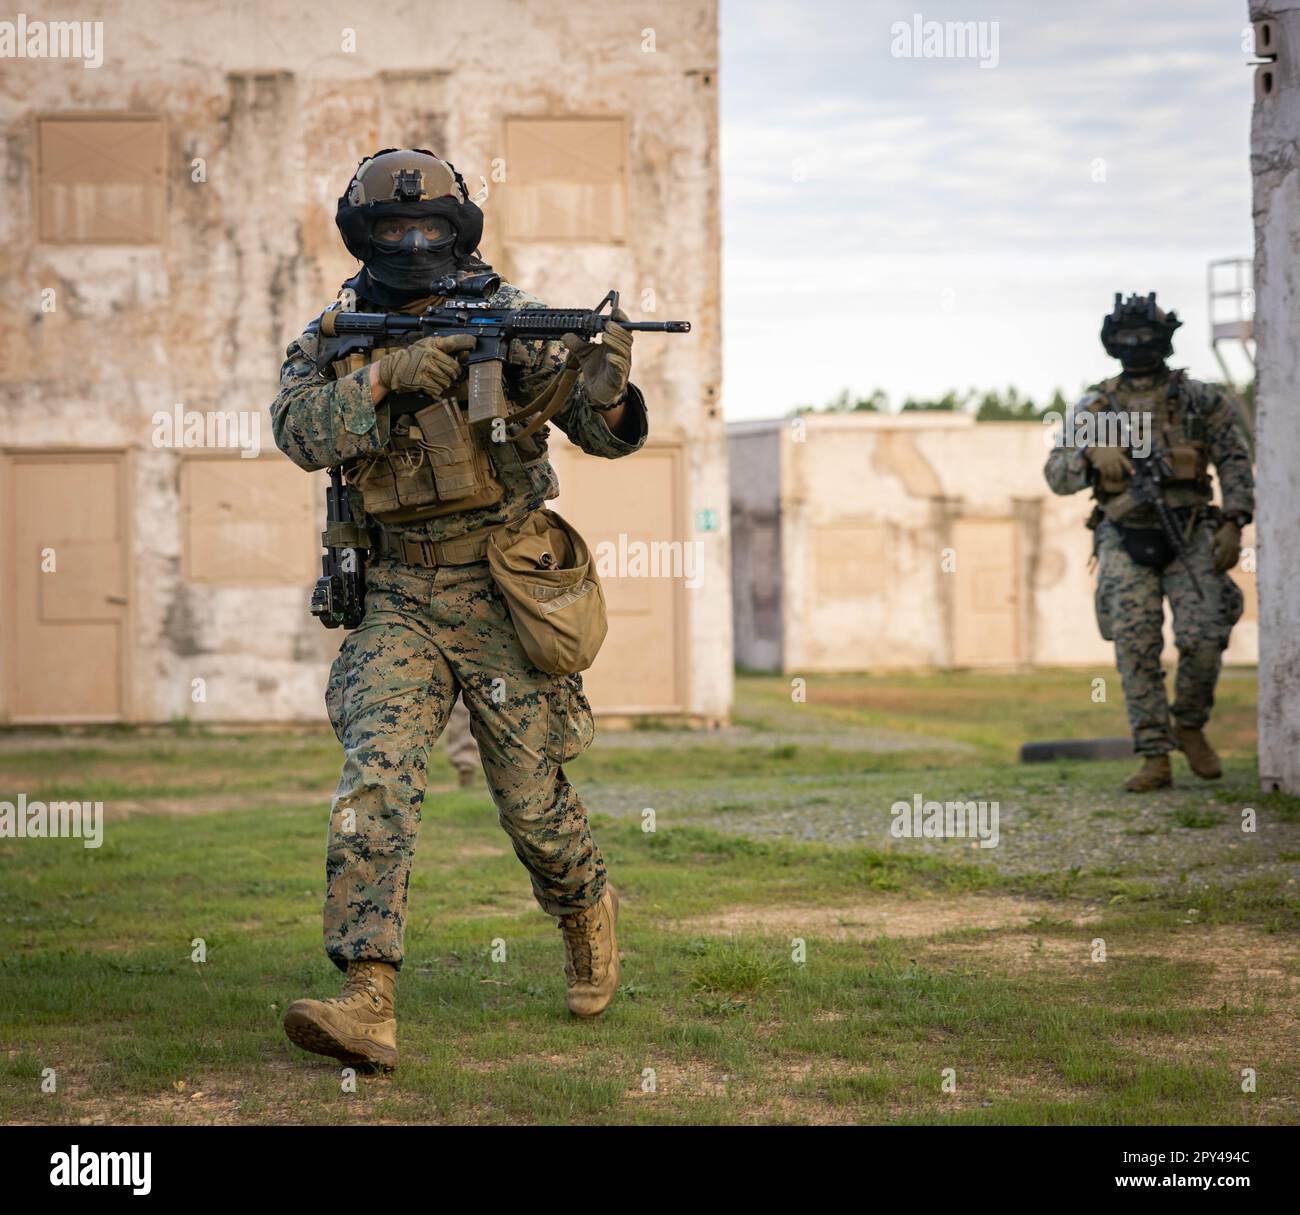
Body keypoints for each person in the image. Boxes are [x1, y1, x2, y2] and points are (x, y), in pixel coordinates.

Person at [270, 148, 646, 1068]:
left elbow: (604, 434)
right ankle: (367, 995)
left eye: (429, 227)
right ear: (364, 236)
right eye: (393, 229)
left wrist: (604, 391)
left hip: (499, 583)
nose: (411, 241)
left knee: (531, 801)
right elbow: (296, 431)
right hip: (395, 589)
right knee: (376, 774)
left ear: (458, 232)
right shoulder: (334, 334)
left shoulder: (508, 318)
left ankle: (584, 905)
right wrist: (389, 378)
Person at [1045, 292, 1254, 792]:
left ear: (1164, 340)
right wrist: (1092, 454)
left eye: (1146, 337)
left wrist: (1234, 522)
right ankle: (1154, 754)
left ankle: (1189, 724)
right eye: (1127, 339)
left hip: (1191, 530)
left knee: (1204, 635)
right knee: (1136, 647)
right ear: (1112, 344)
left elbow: (1235, 461)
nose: (1137, 346)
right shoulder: (1096, 407)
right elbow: (1056, 474)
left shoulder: (1201, 399)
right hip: (1124, 534)